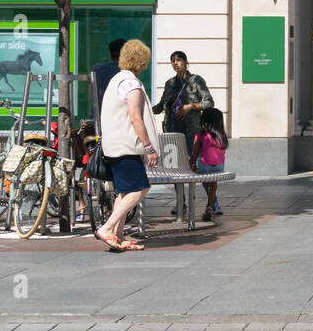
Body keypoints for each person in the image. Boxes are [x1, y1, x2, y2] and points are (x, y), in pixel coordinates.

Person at [95, 39, 160, 251]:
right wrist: (149, 146)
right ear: (140, 60)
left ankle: (118, 237)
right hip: (127, 147)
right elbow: (135, 118)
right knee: (141, 188)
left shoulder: (117, 80)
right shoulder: (131, 84)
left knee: (123, 193)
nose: (147, 64)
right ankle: (107, 228)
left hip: (114, 146)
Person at [153, 51, 218, 214]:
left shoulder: (196, 81)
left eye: (179, 60)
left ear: (186, 62)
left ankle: (213, 203)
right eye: (173, 61)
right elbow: (161, 105)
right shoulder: (170, 84)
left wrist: (190, 107)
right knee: (175, 168)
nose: (176, 63)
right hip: (173, 132)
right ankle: (181, 202)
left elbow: (209, 101)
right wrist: (145, 107)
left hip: (192, 131)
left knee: (199, 167)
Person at [190, 107, 228, 222]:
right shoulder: (222, 136)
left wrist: (191, 163)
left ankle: (197, 202)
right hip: (219, 167)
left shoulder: (200, 134)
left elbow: (195, 154)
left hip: (204, 166)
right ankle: (209, 207)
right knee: (213, 181)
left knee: (200, 168)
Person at [90, 38, 126, 125]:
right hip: (117, 121)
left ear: (110, 54)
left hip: (96, 117)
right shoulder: (126, 72)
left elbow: (92, 94)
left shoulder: (97, 69)